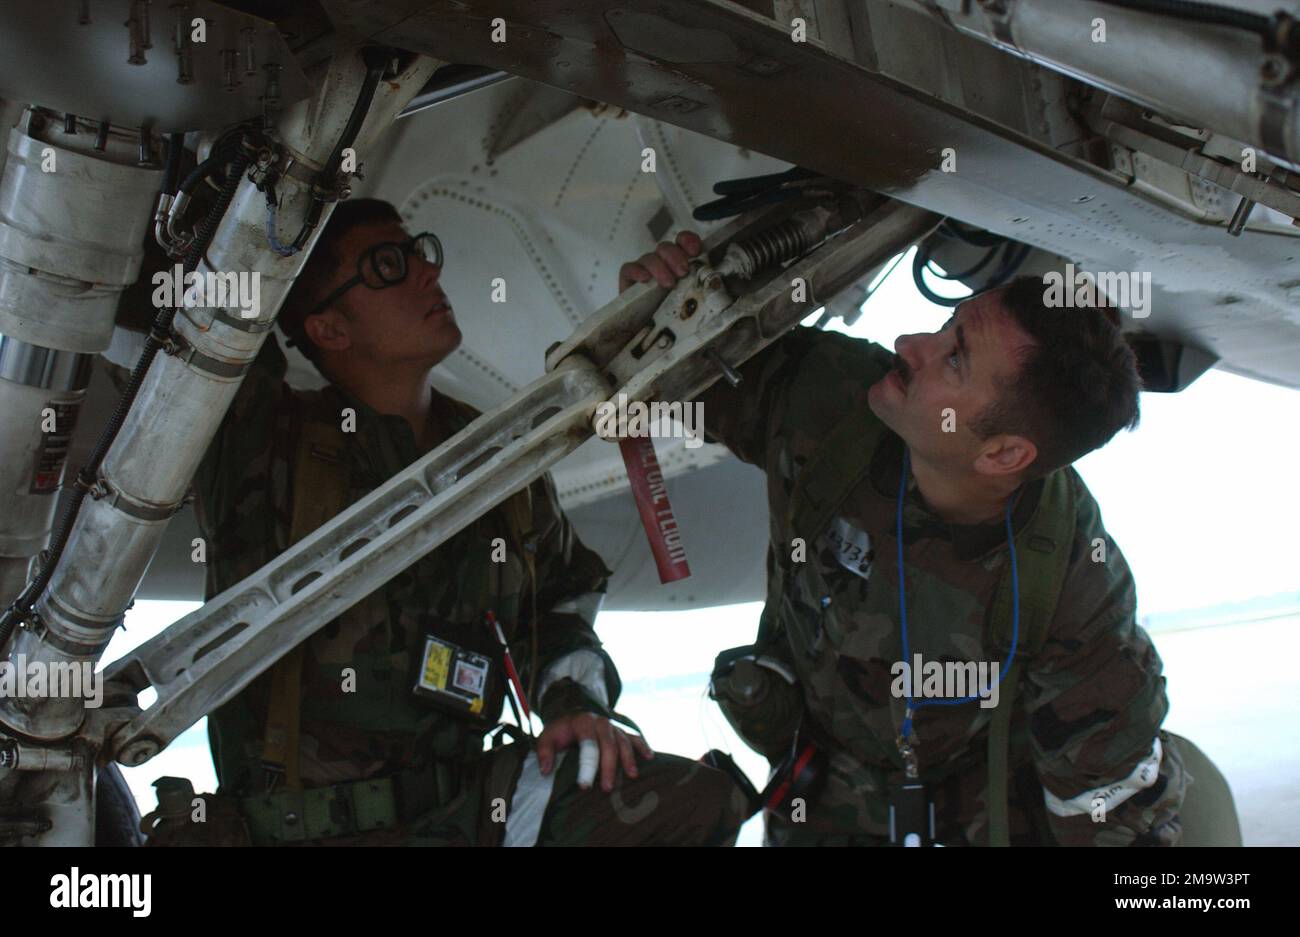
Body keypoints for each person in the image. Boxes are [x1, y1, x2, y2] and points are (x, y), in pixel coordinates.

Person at [178, 199, 747, 846]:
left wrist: (574, 705)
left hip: (471, 811)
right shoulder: (264, 446)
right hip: (307, 828)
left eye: (419, 252)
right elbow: (189, 326)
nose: (426, 272)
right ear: (329, 328)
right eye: (387, 264)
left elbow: (559, 602)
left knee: (695, 801)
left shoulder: (499, 460)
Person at [620, 241, 1185, 846]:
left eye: (954, 360)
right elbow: (657, 369)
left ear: (1001, 454)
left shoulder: (1076, 587)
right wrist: (650, 305)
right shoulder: (829, 399)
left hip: (983, 807)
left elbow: (1111, 813)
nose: (910, 345)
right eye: (946, 329)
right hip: (826, 787)